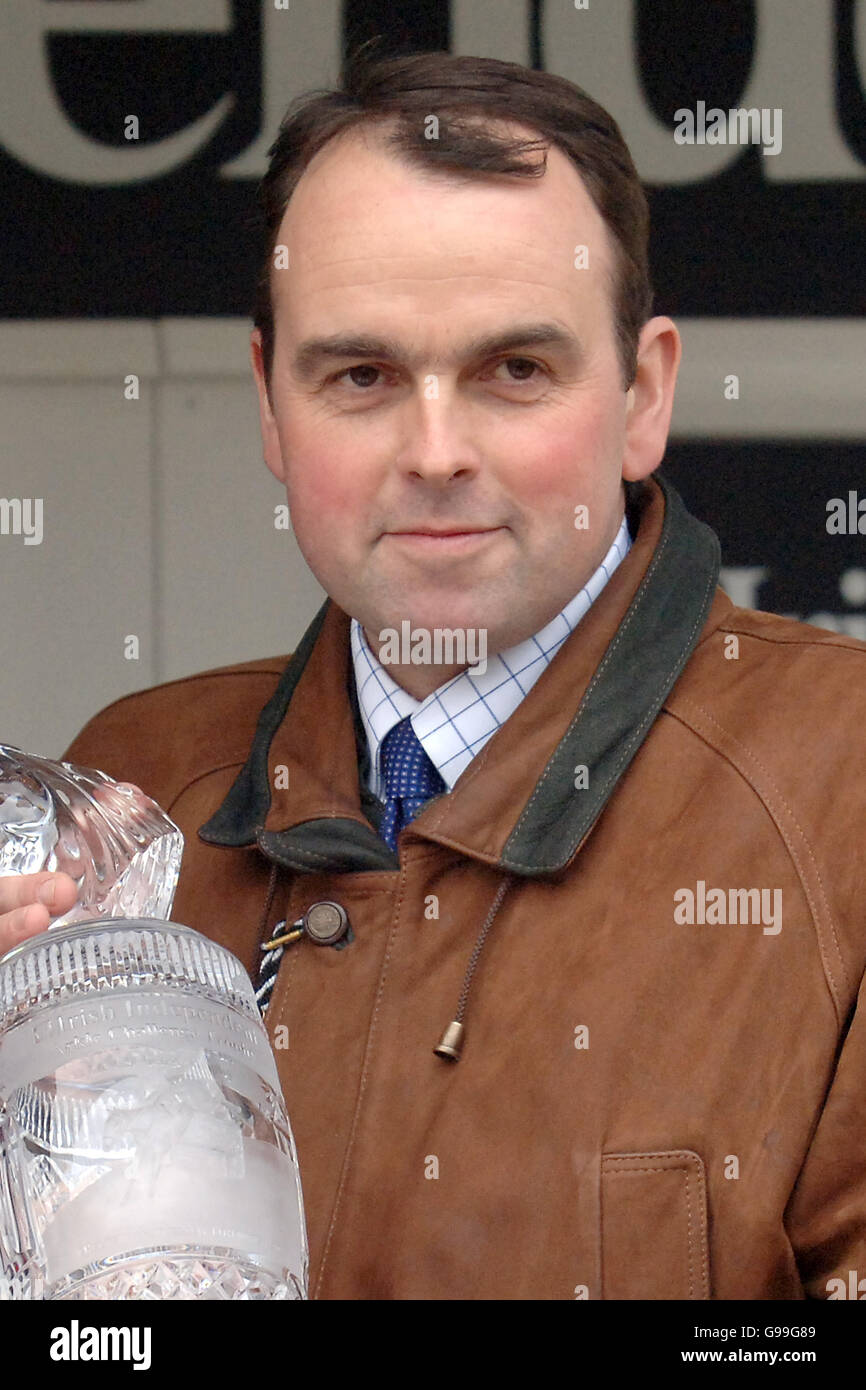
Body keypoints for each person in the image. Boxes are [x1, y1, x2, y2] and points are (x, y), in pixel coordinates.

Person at [2, 47, 865, 1302]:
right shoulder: (129, 782)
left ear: (641, 393)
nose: (435, 450)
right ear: (268, 405)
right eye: (360, 376)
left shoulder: (843, 787)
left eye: (514, 369)